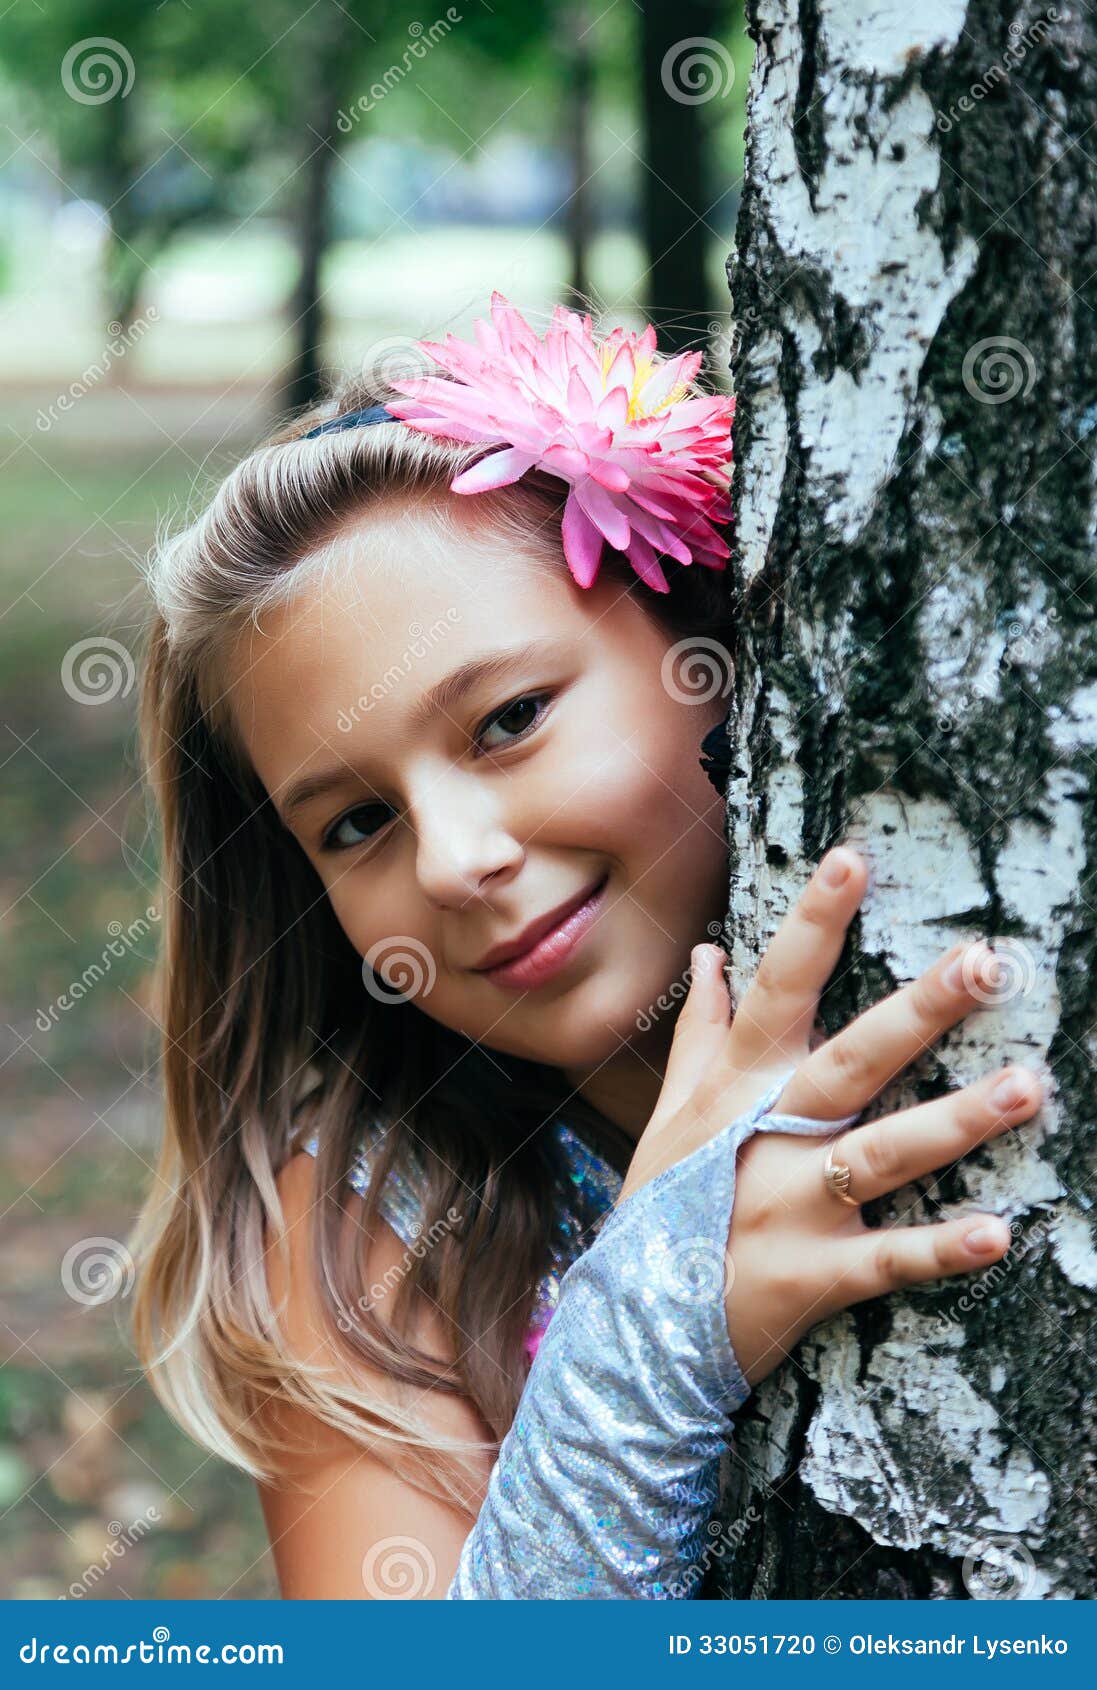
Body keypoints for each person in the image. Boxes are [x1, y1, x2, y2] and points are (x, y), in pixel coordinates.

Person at [129, 295, 1042, 1598]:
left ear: (712, 651)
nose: (452, 860)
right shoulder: (367, 1225)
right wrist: (649, 1328)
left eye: (506, 719)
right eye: (357, 821)